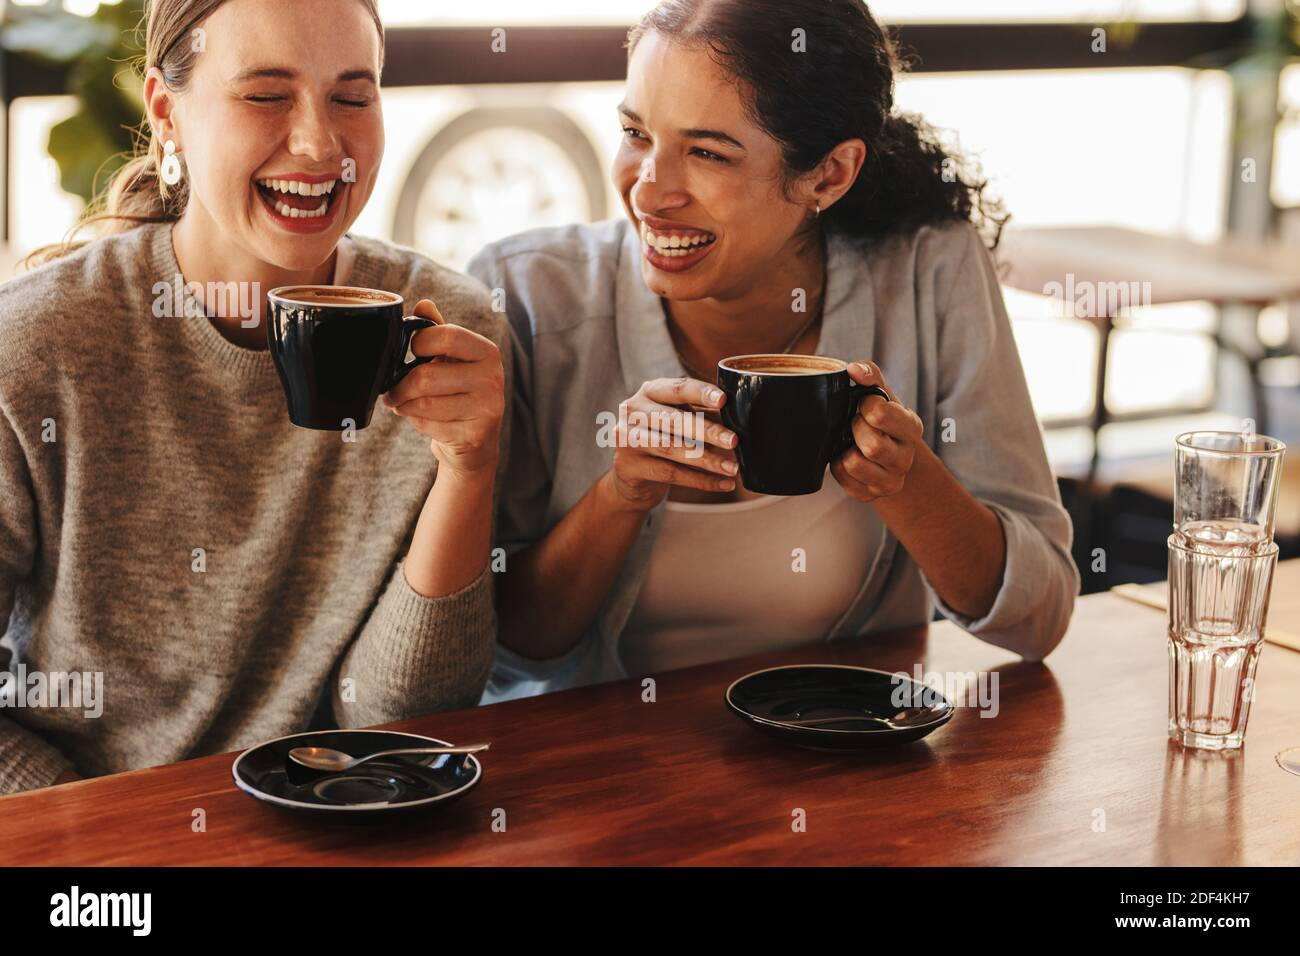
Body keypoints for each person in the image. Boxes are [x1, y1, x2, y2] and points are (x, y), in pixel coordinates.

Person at [469, 0, 1079, 702]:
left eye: (706, 152)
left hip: (848, 768)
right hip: (603, 784)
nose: (649, 189)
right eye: (636, 133)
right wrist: (621, 496)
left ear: (829, 175)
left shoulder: (926, 268)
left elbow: (1041, 620)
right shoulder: (524, 292)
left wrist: (909, 484)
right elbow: (501, 648)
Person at [0, 0, 508, 795]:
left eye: (353, 95)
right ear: (167, 114)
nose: (319, 143)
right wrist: (100, 836)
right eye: (266, 94)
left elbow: (405, 721)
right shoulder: (37, 347)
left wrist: (468, 471)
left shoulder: (442, 330)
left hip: (338, 823)